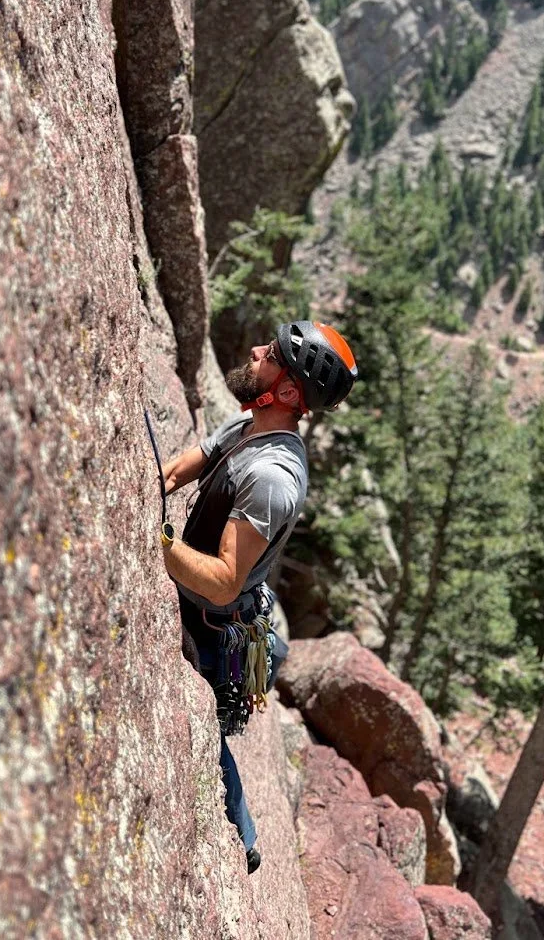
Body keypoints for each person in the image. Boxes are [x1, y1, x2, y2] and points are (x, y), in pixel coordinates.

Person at [161, 320, 358, 873]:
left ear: (290, 391)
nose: (253, 352)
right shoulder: (254, 426)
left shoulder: (274, 476)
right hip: (211, 608)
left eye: (268, 354)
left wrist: (156, 544)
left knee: (204, 736)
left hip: (215, 626)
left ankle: (242, 838)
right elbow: (197, 458)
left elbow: (224, 578)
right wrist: (151, 480)